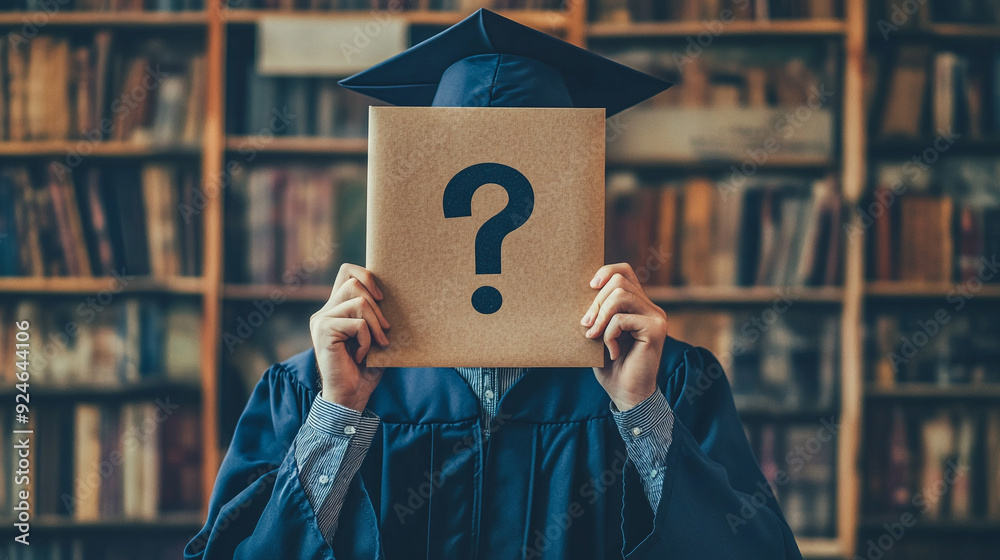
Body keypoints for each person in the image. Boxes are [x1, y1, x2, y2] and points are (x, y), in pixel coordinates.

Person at [187, 9, 803, 560]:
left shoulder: (669, 382)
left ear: (575, 193)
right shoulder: (309, 388)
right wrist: (337, 416)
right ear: (419, 188)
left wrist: (641, 412)